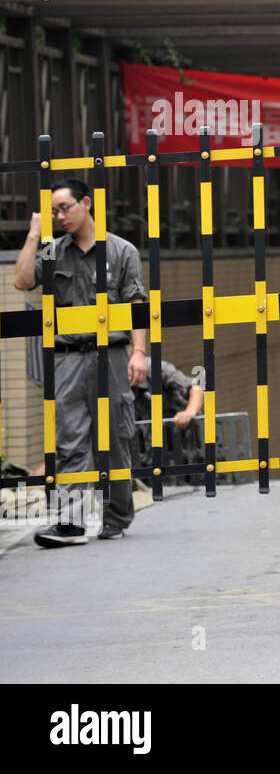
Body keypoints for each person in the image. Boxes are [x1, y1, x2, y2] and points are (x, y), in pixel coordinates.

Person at [14, 177, 147, 545]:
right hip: (69, 358)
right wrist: (32, 235)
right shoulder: (52, 251)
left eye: (65, 208)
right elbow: (23, 281)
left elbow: (136, 305)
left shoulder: (121, 251)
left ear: (86, 203)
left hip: (113, 355)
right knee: (70, 440)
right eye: (54, 211)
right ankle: (69, 524)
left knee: (116, 436)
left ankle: (116, 518)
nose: (60, 216)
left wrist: (139, 352)